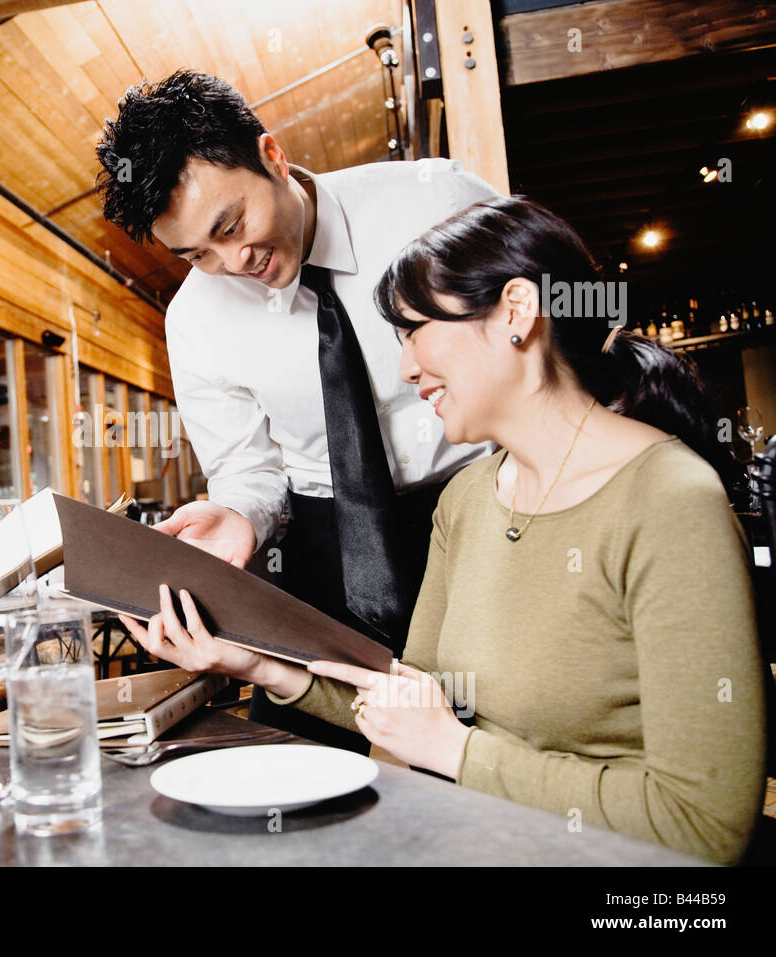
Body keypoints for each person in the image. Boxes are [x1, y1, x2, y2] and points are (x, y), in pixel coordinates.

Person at [120, 197, 767, 865]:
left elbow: (703, 825)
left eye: (415, 330)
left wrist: (457, 752)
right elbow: (416, 699)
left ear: (515, 312)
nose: (404, 369)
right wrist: (251, 662)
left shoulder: (671, 500)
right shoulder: (467, 498)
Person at [96, 71, 497, 744]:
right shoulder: (194, 317)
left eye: (231, 224)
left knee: (482, 743)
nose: (233, 260)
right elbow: (248, 469)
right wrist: (239, 514)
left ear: (272, 156)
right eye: (198, 253)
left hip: (480, 510)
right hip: (327, 542)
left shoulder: (436, 202)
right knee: (295, 759)